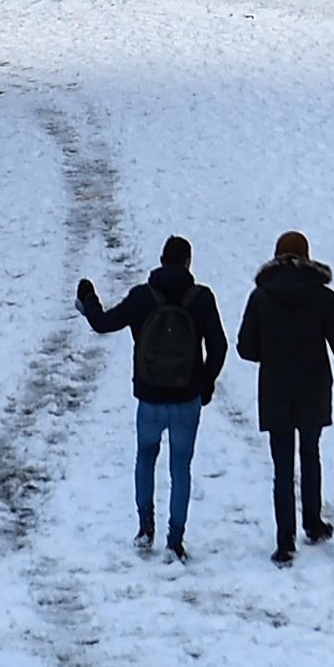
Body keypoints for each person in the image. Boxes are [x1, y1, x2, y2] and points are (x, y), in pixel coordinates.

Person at [233, 229, 334, 564]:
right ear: (307, 256)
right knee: (310, 454)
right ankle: (313, 523)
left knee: (282, 467)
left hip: (275, 390)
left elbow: (245, 348)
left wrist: (270, 352)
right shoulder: (323, 297)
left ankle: (285, 542)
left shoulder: (261, 295)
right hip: (313, 388)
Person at [78, 236, 227, 559]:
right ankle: (175, 540)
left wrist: (88, 298)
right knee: (181, 468)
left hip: (150, 398)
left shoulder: (142, 297)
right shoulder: (201, 299)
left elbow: (103, 323)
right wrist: (205, 384)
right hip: (187, 398)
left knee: (145, 458)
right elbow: (219, 347)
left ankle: (146, 528)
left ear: (161, 260)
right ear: (189, 262)